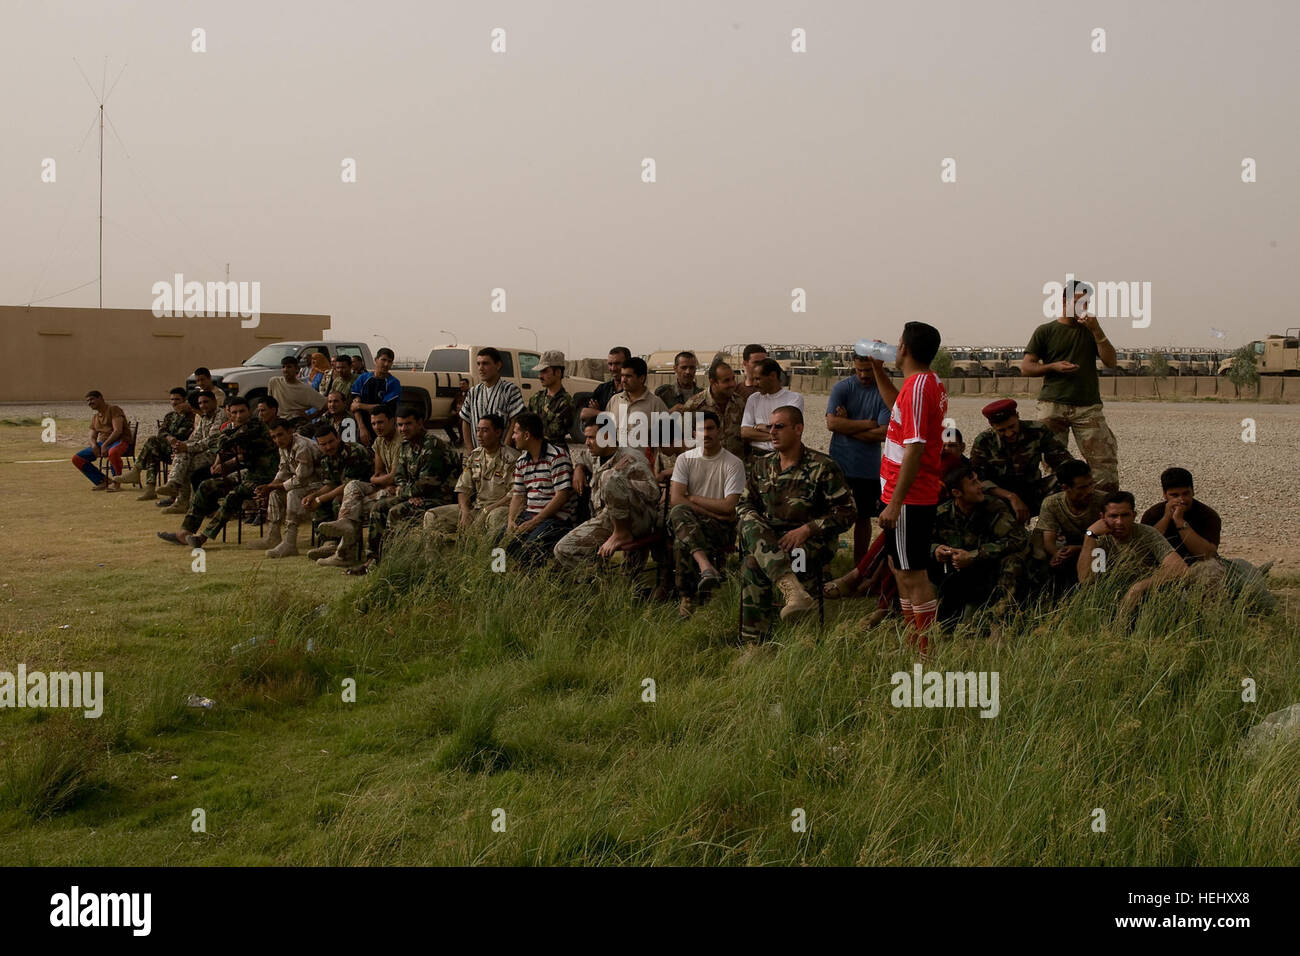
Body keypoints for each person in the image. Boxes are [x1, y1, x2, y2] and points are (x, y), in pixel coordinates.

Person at [736, 406, 856, 643]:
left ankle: (788, 627)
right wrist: (764, 534)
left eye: (779, 426)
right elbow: (744, 504)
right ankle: (755, 644)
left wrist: (807, 529)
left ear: (798, 429)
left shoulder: (822, 466)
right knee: (747, 531)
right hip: (770, 541)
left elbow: (847, 512)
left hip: (809, 544)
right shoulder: (762, 465)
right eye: (770, 426)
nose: (772, 432)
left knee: (755, 560)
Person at [873, 321, 948, 654]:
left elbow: (915, 447)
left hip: (908, 498)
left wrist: (895, 504)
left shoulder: (919, 387)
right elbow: (897, 410)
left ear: (904, 348)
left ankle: (926, 650)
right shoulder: (921, 383)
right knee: (900, 569)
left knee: (913, 575)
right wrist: (878, 371)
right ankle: (913, 641)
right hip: (903, 495)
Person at [1021, 279, 1120, 492]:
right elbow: (1026, 367)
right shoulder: (1045, 331)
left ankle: (1108, 513)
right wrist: (1052, 367)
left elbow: (1111, 362)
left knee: (1103, 461)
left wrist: (1097, 330)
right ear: (1063, 300)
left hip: (1087, 405)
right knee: (1051, 462)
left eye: (1086, 302)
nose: (1082, 306)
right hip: (1052, 404)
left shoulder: (1091, 332)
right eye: (1078, 301)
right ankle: (1056, 509)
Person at [342, 408, 460, 574]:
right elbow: (399, 477)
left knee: (396, 511)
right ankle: (373, 561)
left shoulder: (433, 446)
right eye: (400, 425)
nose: (403, 429)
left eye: (408, 424)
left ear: (420, 423)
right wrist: (407, 493)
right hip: (416, 496)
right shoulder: (406, 445)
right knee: (379, 508)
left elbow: (426, 485)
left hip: (441, 499)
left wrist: (407, 492)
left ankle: (394, 564)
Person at [158, 397, 279, 549]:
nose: (239, 415)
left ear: (249, 411)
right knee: (206, 485)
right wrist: (224, 443)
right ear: (229, 414)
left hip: (268, 477)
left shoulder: (255, 426)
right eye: (234, 412)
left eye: (242, 411)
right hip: (250, 474)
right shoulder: (232, 428)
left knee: (234, 495)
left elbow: (225, 442)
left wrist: (225, 443)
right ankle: (184, 532)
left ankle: (202, 537)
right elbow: (216, 443)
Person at [928, 462, 1029, 628]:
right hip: (955, 576)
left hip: (987, 570)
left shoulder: (993, 507)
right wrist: (936, 550)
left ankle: (999, 620)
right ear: (956, 493)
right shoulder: (942, 514)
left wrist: (974, 556)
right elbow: (923, 542)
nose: (980, 486)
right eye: (973, 483)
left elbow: (1017, 539)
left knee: (1013, 562)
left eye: (978, 480)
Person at [553, 419, 661, 570]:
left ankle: (621, 534)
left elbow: (653, 493)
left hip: (636, 518)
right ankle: (598, 583)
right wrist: (579, 469)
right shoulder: (595, 454)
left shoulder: (632, 458)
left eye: (591, 437)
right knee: (563, 549)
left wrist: (618, 478)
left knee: (610, 477)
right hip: (608, 518)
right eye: (586, 437)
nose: (587, 442)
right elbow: (581, 457)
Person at [668, 410, 745, 618]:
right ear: (695, 433)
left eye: (710, 428)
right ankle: (705, 568)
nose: (706, 434)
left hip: (720, 527)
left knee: (682, 537)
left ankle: (688, 597)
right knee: (678, 512)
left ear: (719, 431)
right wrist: (710, 510)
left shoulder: (733, 463)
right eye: (701, 429)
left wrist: (693, 498)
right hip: (692, 522)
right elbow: (675, 498)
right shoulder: (685, 459)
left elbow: (729, 507)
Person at [826, 351, 892, 563]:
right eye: (859, 370)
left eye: (868, 370)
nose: (863, 375)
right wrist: (867, 424)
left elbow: (884, 433)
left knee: (864, 517)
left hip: (867, 467)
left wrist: (848, 425)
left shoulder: (883, 392)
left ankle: (860, 565)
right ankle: (827, 562)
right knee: (832, 515)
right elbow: (832, 424)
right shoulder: (842, 388)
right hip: (840, 464)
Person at [1077, 491, 1188, 616]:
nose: (1119, 522)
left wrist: (1139, 587)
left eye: (1125, 515)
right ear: (1102, 517)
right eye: (1113, 516)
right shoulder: (1100, 540)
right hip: (1111, 599)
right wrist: (1090, 536)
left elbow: (1179, 568)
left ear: (1134, 515)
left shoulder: (1146, 534)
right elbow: (1087, 580)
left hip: (1147, 597)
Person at [969, 398, 1074, 522]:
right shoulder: (984, 441)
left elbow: (1062, 461)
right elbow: (977, 477)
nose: (1009, 434)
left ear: (1018, 417)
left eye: (1012, 426)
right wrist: (1011, 496)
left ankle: (1056, 528)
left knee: (1070, 478)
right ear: (992, 426)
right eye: (1001, 430)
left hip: (1033, 490)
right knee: (973, 495)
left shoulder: (1038, 431)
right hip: (1000, 496)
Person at [424, 413, 519, 537]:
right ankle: (434, 556)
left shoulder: (512, 458)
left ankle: (487, 554)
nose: (479, 435)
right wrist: (465, 511)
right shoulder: (475, 456)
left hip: (500, 508)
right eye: (478, 430)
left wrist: (488, 510)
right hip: (477, 508)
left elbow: (515, 494)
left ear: (498, 432)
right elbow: (463, 488)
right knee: (432, 516)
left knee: (495, 518)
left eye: (485, 431)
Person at [505, 411, 578, 564]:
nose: (512, 437)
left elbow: (561, 496)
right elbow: (518, 495)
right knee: (500, 542)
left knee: (529, 548)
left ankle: (526, 581)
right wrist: (511, 520)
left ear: (527, 435)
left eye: (515, 432)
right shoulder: (521, 461)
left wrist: (534, 521)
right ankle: (499, 576)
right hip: (529, 516)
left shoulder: (557, 456)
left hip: (555, 519)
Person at [303, 425, 375, 565]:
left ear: (338, 437)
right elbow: (330, 484)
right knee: (321, 502)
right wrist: (314, 496)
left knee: (336, 501)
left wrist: (320, 498)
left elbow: (349, 484)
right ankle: (329, 543)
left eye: (331, 441)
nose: (328, 447)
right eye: (323, 444)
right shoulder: (326, 458)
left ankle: (347, 550)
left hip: (366, 489)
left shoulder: (353, 451)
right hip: (348, 490)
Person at [253, 418, 323, 557]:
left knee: (292, 493)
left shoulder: (302, 446)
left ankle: (290, 543)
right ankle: (273, 536)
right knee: (274, 493)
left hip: (320, 485)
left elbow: (301, 479)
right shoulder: (284, 446)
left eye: (280, 435)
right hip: (306, 484)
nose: (277, 440)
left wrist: (271, 486)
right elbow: (283, 470)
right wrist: (269, 487)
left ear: (290, 432)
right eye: (273, 437)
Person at [1036, 458, 1107, 595]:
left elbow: (1110, 541)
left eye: (1091, 485)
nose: (1089, 491)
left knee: (1100, 560)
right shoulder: (1051, 504)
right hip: (1067, 549)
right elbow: (1048, 539)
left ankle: (1098, 594)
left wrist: (1080, 549)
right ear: (1065, 488)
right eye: (1082, 488)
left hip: (1097, 548)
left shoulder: (1103, 501)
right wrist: (1057, 554)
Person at [113, 387, 194, 500]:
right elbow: (161, 432)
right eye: (172, 399)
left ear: (185, 400)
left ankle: (137, 472)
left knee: (152, 442)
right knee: (153, 451)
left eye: (177, 399)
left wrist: (171, 438)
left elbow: (186, 435)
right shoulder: (170, 416)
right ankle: (150, 489)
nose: (174, 402)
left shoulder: (193, 416)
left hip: (183, 450)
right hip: (167, 449)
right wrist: (169, 437)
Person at [156, 390, 227, 513]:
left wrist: (187, 447)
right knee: (181, 454)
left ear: (214, 401)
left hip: (217, 454)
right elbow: (196, 437)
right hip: (202, 451)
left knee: (185, 465)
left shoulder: (220, 415)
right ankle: (174, 486)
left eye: (206, 402)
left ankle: (181, 499)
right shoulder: (204, 417)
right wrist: (181, 446)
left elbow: (211, 441)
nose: (203, 405)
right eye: (200, 403)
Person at [1140, 467, 1221, 565]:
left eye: (1185, 494)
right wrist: (1166, 518)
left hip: (1196, 566)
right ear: (1165, 495)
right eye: (1175, 495)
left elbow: (1207, 555)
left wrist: (1179, 522)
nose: (1181, 500)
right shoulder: (1153, 514)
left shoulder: (1208, 515)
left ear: (1193, 491)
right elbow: (1144, 547)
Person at [459, 347, 525, 450]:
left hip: (503, 455)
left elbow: (515, 421)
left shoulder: (510, 390)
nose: (481, 368)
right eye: (478, 364)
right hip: (478, 455)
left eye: (485, 363)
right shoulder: (473, 392)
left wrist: (505, 449)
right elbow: (466, 420)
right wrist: (470, 450)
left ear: (498, 365)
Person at [741, 359, 805, 456]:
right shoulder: (754, 399)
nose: (754, 384)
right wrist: (776, 435)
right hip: (756, 456)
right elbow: (745, 432)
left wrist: (759, 427)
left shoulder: (794, 398)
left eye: (758, 379)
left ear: (773, 376)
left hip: (781, 456)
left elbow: (789, 432)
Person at [605, 357, 669, 448]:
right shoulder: (615, 400)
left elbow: (666, 439)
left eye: (628, 376)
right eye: (622, 375)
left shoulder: (656, 404)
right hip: (618, 460)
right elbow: (608, 432)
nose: (623, 380)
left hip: (643, 460)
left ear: (641, 378)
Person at [684, 359, 743, 457]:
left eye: (733, 379)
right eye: (726, 381)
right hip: (706, 465)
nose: (732, 384)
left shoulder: (740, 402)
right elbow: (686, 441)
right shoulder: (694, 405)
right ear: (713, 382)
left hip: (735, 464)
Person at [72, 391, 130, 491]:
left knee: (113, 452)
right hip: (103, 443)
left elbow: (117, 431)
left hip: (119, 441)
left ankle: (117, 482)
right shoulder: (95, 417)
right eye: (88, 401)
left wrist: (105, 445)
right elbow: (91, 436)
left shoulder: (113, 409)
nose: (89, 402)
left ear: (100, 398)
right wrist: (94, 445)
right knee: (77, 458)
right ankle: (102, 481)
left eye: (92, 399)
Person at [350, 347, 402, 444]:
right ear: (376, 360)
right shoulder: (363, 378)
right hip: (362, 426)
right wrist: (362, 428)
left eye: (389, 361)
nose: (386, 364)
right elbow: (354, 407)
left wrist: (360, 405)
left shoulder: (393, 383)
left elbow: (384, 408)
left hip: (383, 430)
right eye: (383, 360)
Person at [527, 350, 576, 445]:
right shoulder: (536, 398)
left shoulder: (565, 402)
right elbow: (525, 425)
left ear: (557, 372)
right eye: (540, 372)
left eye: (544, 371)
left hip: (554, 454)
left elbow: (552, 433)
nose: (540, 376)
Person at [268, 355, 324, 422]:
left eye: (289, 367)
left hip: (294, 424)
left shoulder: (305, 389)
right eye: (283, 367)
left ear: (297, 369)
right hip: (277, 423)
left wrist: (310, 417)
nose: (285, 370)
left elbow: (325, 405)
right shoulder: (274, 382)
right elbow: (269, 404)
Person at [590, 347, 631, 411]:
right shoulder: (602, 389)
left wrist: (598, 413)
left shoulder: (633, 392)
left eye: (617, 363)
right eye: (610, 364)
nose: (613, 368)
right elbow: (585, 413)